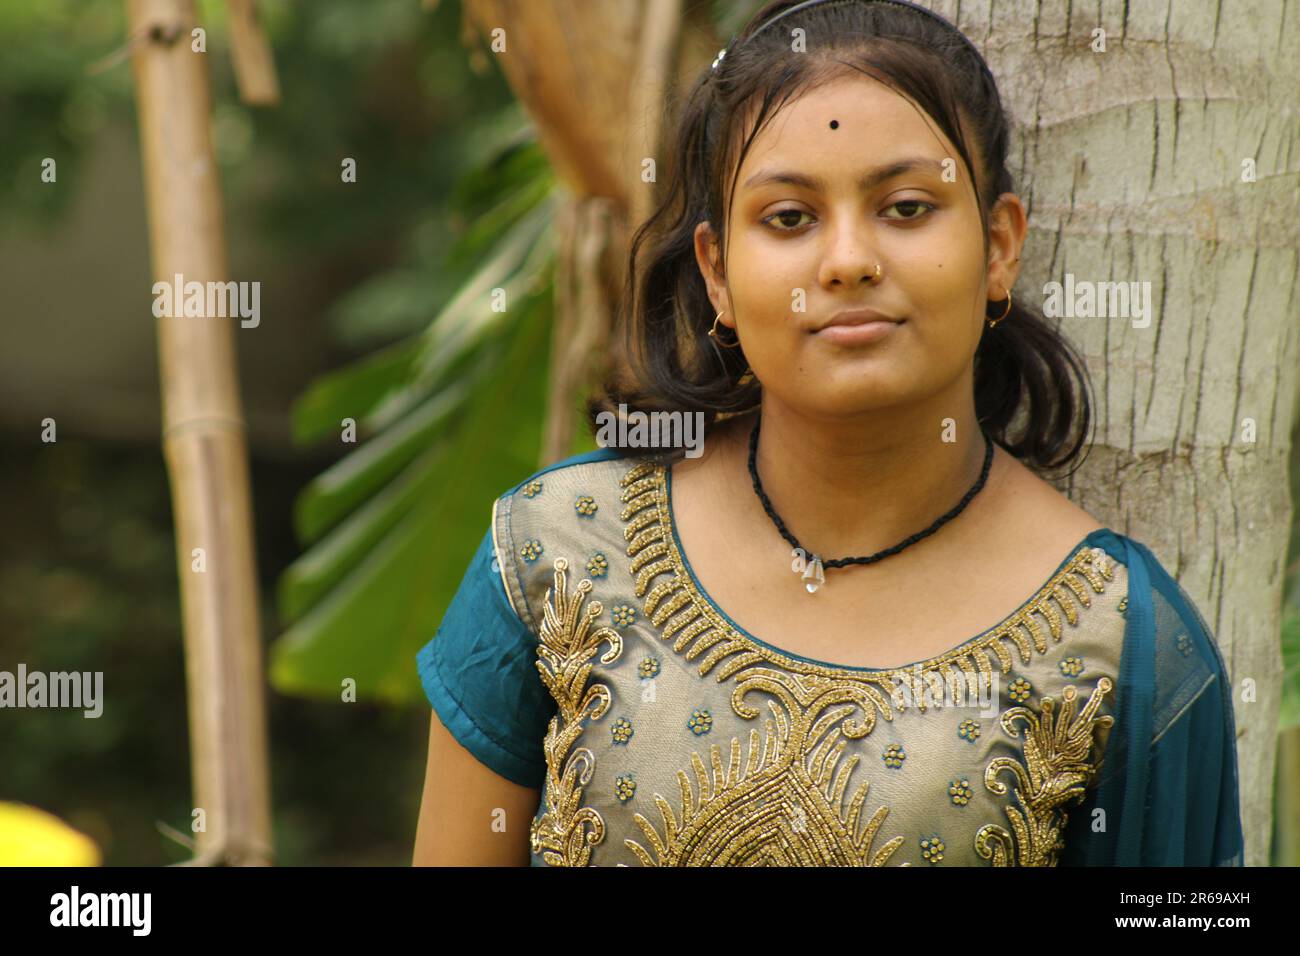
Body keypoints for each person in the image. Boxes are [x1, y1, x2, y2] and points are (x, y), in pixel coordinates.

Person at [412, 0, 1244, 867]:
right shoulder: (557, 558)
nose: (848, 260)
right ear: (717, 274)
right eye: (789, 219)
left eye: (908, 207)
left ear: (998, 247)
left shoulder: (1120, 644)